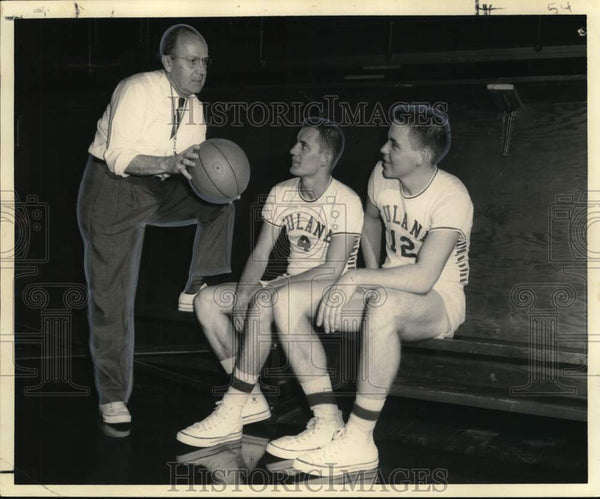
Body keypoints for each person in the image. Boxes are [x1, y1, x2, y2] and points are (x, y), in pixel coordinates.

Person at [268, 104, 474, 476]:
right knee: (286, 300)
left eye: (394, 144)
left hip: (439, 301)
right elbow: (372, 220)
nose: (383, 149)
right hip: (389, 288)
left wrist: (356, 278)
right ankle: (327, 419)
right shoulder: (382, 177)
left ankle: (360, 438)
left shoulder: (452, 195)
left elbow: (425, 278)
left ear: (422, 156)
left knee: (382, 304)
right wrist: (374, 269)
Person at [77, 24, 235, 436]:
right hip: (111, 189)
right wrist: (171, 163)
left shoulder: (196, 107)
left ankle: (197, 283)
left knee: (224, 201)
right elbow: (118, 156)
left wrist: (212, 178)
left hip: (159, 189)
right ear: (168, 63)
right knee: (113, 298)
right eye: (191, 61)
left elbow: (192, 169)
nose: (201, 70)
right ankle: (113, 397)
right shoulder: (136, 89)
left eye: (205, 62)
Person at [176, 118, 364, 447]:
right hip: (289, 285)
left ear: (324, 158)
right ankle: (250, 399)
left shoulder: (346, 200)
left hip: (331, 291)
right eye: (296, 142)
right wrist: (246, 294)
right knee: (207, 302)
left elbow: (334, 268)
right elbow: (260, 254)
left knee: (268, 300)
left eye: (303, 145)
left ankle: (232, 408)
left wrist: (271, 290)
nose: (293, 149)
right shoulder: (281, 192)